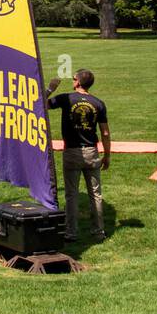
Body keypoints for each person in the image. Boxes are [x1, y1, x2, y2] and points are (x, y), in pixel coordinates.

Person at [46, 69, 111, 242]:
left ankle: (71, 232)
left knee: (71, 194)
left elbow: (39, 105)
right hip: (91, 151)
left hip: (71, 152)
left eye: (74, 78)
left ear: (77, 82)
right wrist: (107, 155)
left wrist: (50, 89)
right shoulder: (98, 103)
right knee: (95, 195)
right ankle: (98, 232)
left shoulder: (66, 98)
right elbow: (105, 132)